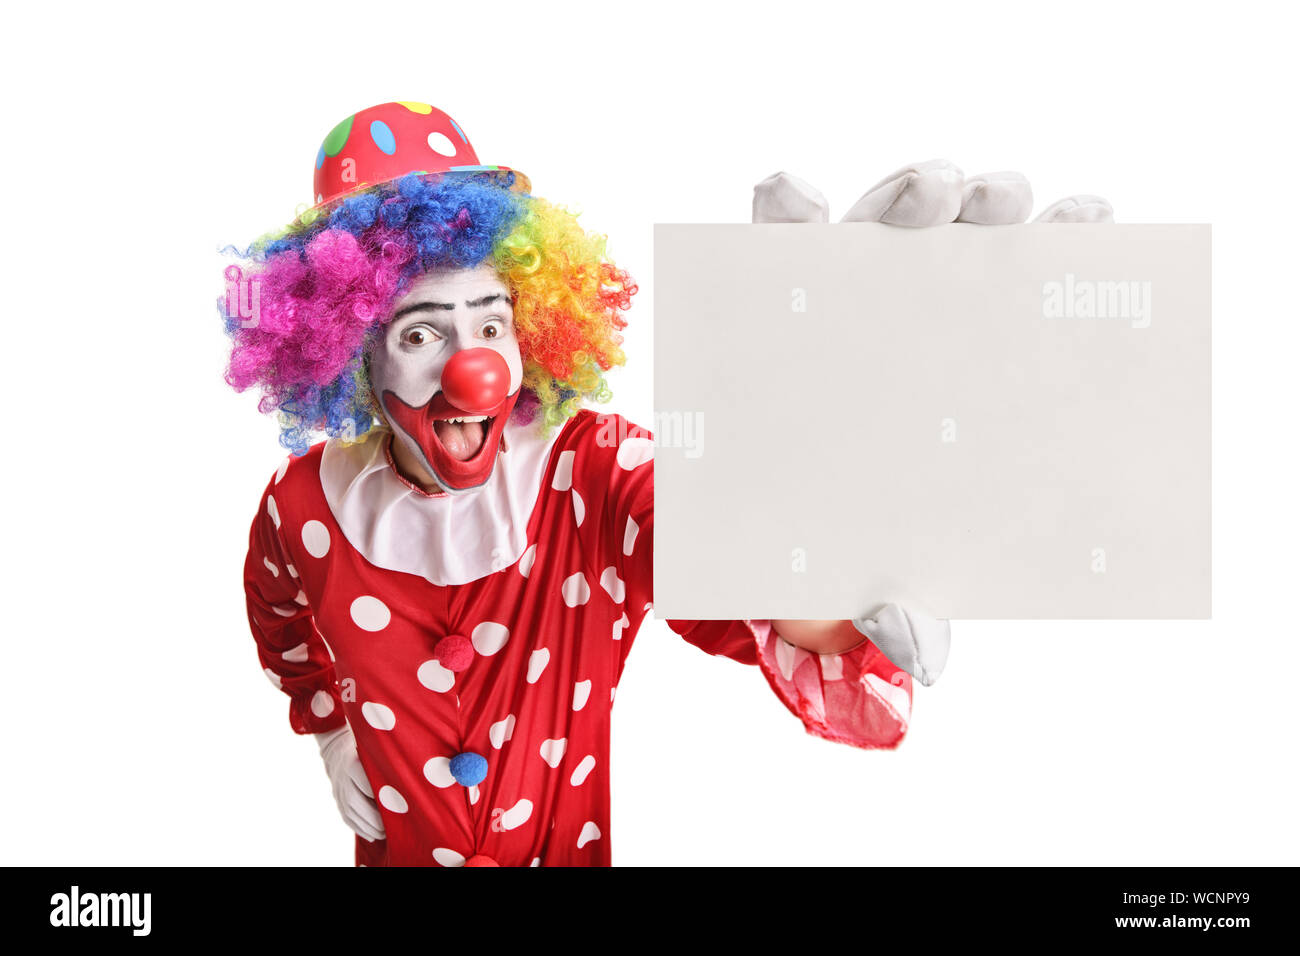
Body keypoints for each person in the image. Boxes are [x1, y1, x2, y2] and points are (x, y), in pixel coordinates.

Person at [223, 101, 1106, 865]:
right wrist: (332, 728)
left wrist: (841, 528)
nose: (473, 372)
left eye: (491, 326)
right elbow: (279, 611)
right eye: (421, 337)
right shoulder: (304, 506)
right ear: (348, 356)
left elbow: (732, 562)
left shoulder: (592, 469)